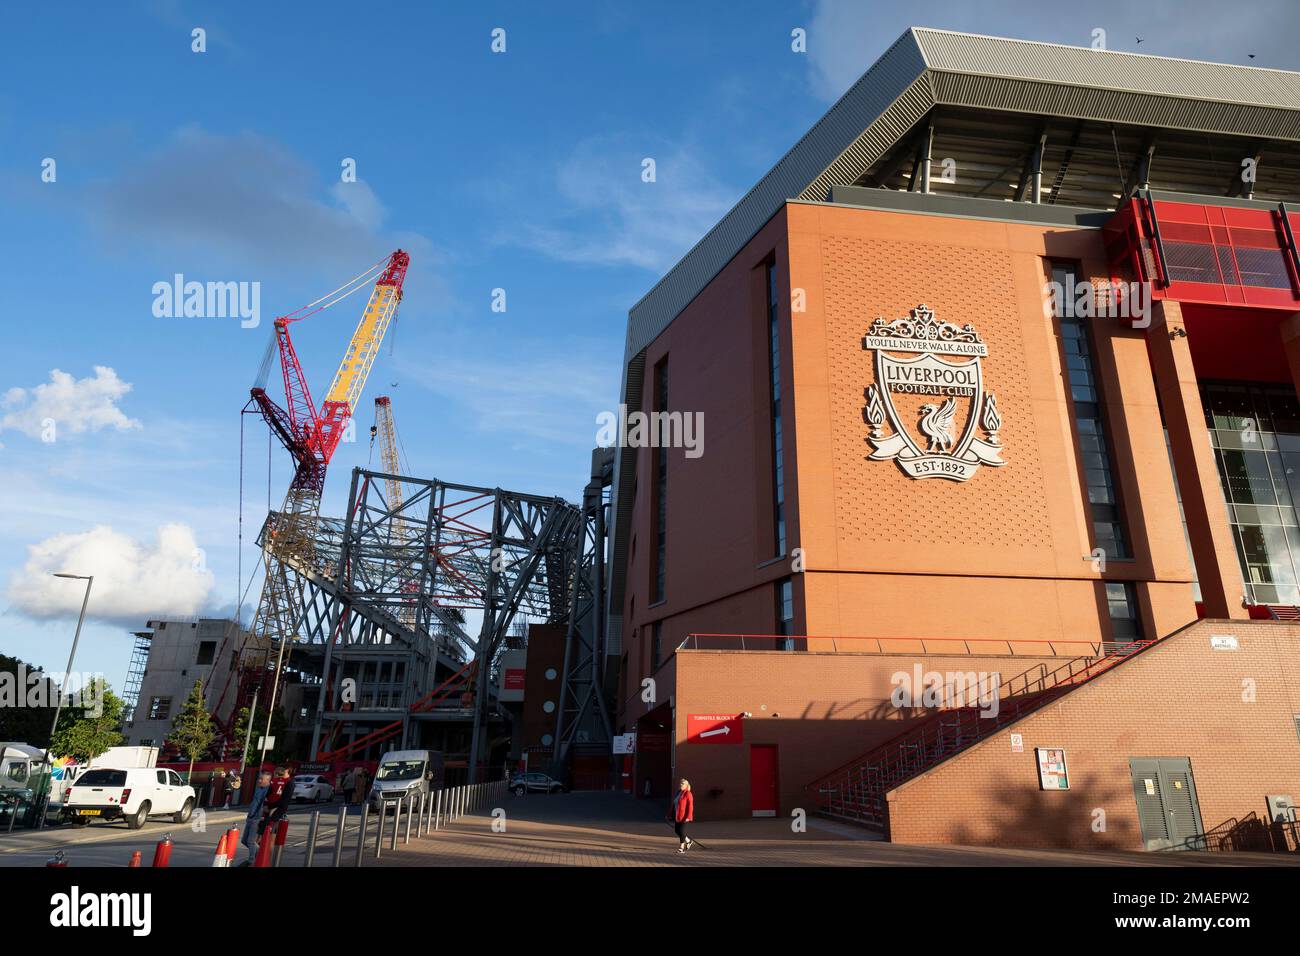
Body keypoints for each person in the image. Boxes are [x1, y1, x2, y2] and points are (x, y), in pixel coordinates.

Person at [239, 770, 273, 866]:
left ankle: (252, 861)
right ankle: (261, 852)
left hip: (257, 818)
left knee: (250, 841)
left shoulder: (267, 791)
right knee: (244, 840)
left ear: (268, 781)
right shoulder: (258, 788)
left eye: (262, 779)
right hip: (251, 816)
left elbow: (262, 805)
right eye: (259, 778)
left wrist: (260, 816)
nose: (259, 780)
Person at [669, 778, 694, 853]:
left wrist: (688, 817)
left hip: (685, 817)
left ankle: (681, 848)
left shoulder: (688, 793)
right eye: (680, 783)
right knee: (677, 831)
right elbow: (674, 804)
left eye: (682, 784)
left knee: (682, 831)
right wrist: (669, 814)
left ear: (686, 785)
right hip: (678, 816)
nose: (681, 785)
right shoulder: (678, 792)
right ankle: (688, 841)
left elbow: (690, 806)